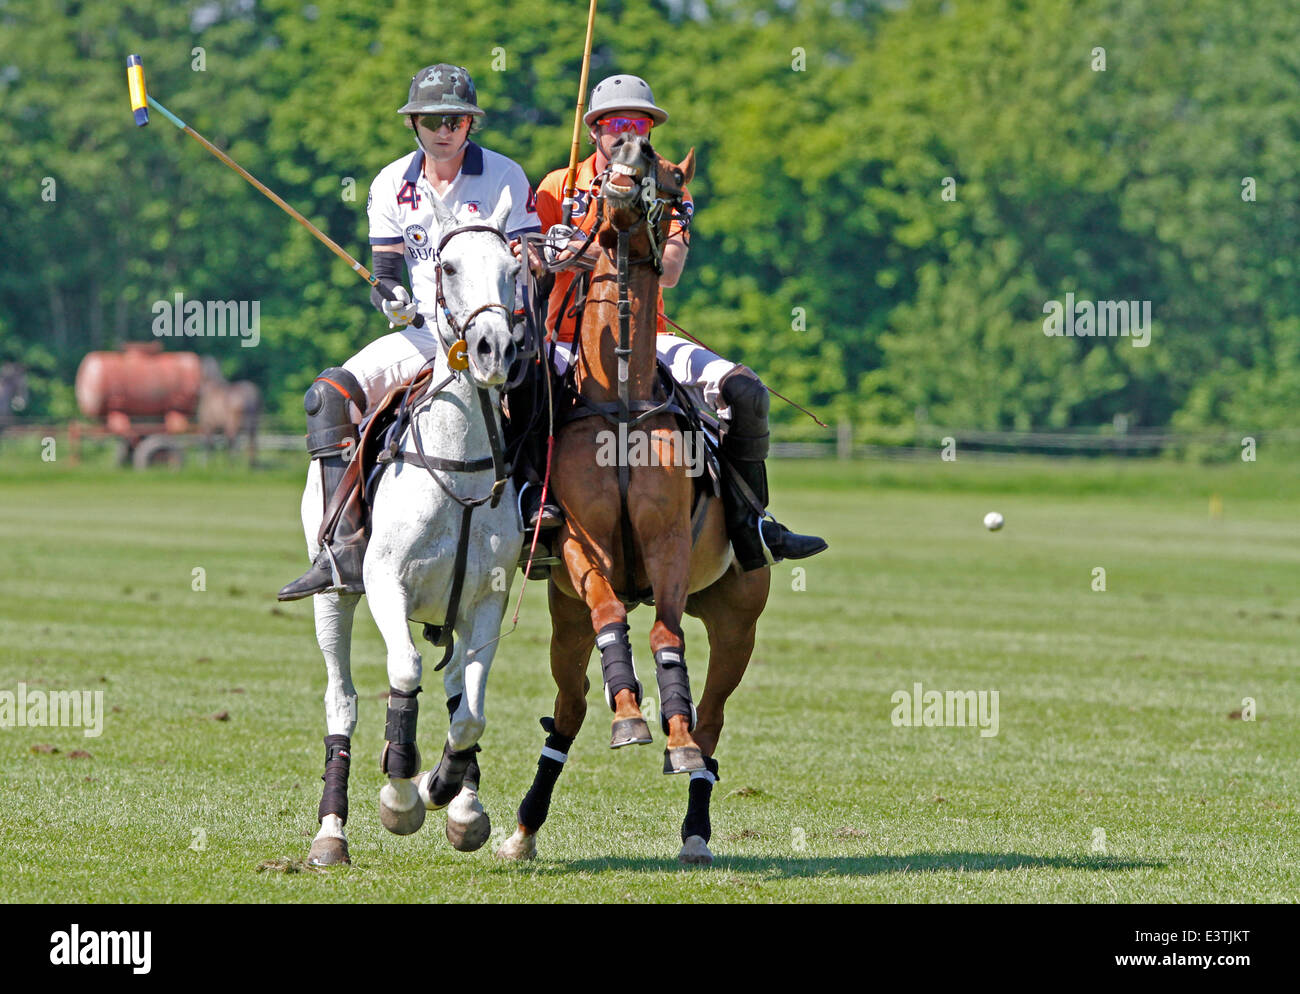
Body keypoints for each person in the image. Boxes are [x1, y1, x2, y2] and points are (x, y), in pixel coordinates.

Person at [518, 74, 826, 572]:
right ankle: (531, 510)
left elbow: (673, 269)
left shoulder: (667, 186)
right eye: (616, 123)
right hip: (567, 342)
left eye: (638, 123)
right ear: (594, 130)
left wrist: (583, 249)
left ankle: (752, 522)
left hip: (648, 340)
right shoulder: (559, 185)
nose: (628, 134)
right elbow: (528, 256)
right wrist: (546, 249)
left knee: (744, 391)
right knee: (521, 389)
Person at [278, 63, 540, 601]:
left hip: (495, 333)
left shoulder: (504, 176)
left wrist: (526, 287)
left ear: (472, 125)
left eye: (456, 119)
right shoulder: (391, 183)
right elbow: (386, 276)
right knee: (327, 396)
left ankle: (543, 515)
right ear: (413, 124)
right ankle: (343, 550)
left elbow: (530, 258)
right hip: (424, 337)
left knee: (552, 390)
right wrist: (389, 300)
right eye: (432, 119)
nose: (445, 129)